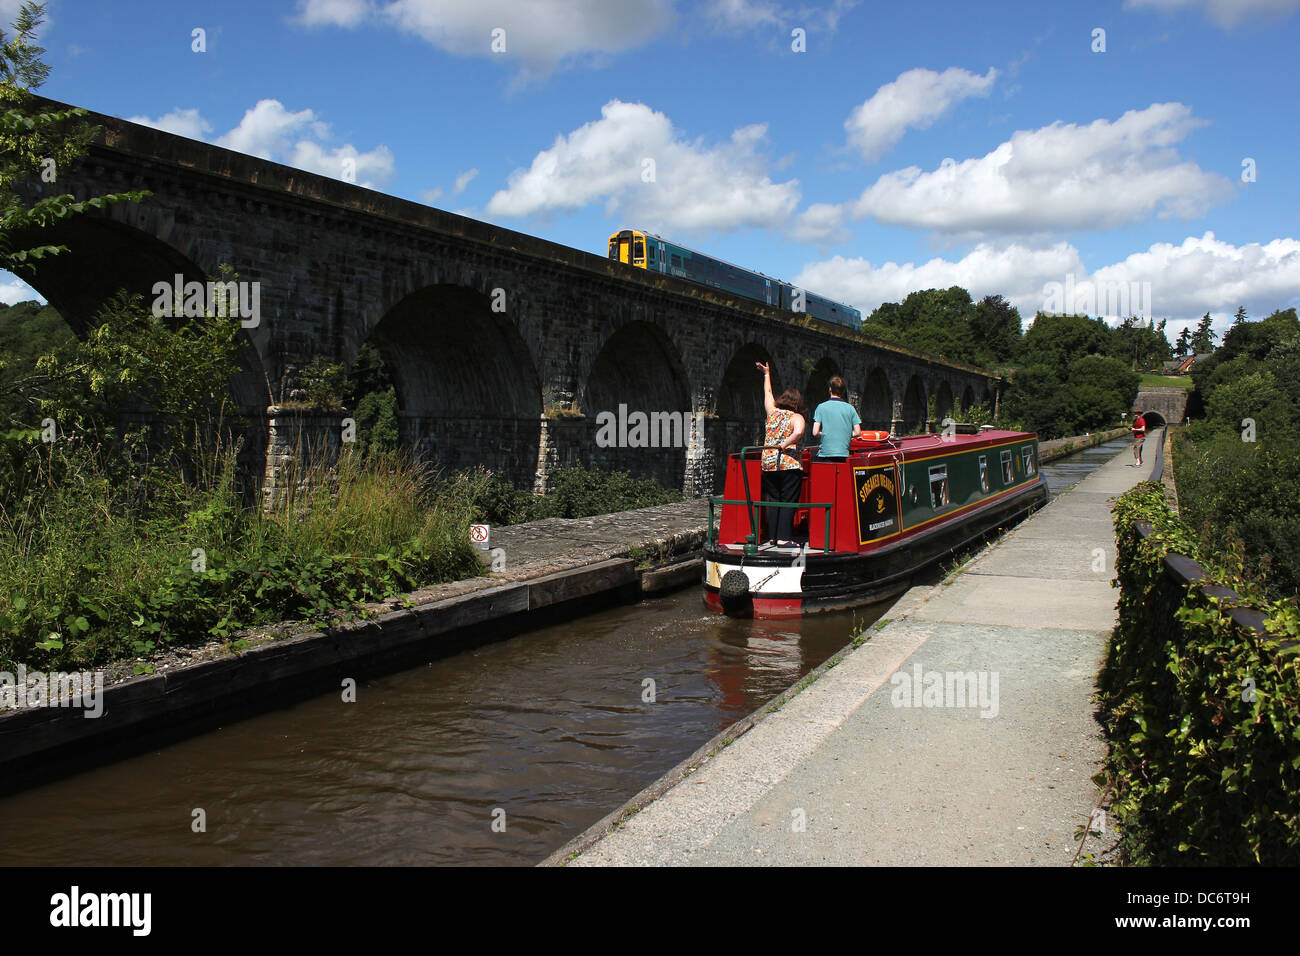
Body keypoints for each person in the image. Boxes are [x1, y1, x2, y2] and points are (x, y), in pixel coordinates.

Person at [756, 361, 804, 547]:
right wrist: (785, 444)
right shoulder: (796, 417)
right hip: (789, 464)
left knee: (774, 499)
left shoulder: (772, 412)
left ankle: (774, 537)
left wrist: (766, 374)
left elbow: (768, 394)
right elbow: (798, 432)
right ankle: (784, 539)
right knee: (788, 500)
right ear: (797, 404)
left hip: (768, 463)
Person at [812, 375, 861, 462]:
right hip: (844, 454)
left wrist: (825, 433)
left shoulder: (821, 407)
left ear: (830, 389)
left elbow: (815, 432)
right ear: (842, 391)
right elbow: (857, 432)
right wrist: (846, 434)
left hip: (826, 453)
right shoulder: (850, 408)